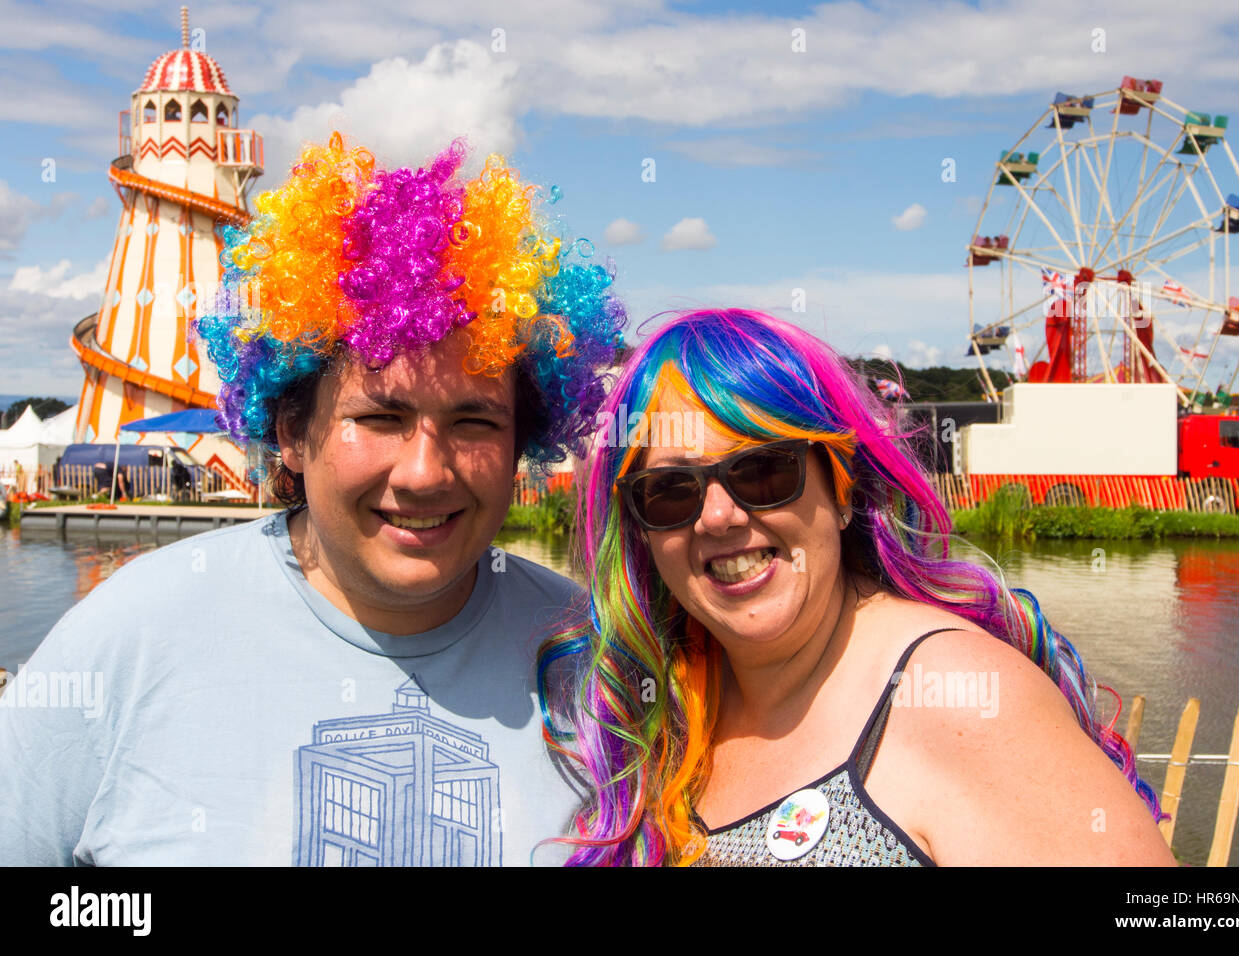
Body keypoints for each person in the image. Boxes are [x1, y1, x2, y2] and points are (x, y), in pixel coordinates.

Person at [0, 132, 624, 866]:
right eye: (380, 417)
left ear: (525, 441)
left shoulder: (592, 661)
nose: (424, 471)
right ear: (293, 431)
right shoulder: (127, 637)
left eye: (474, 421)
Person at [540, 308, 1175, 866]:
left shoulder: (959, 700)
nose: (719, 516)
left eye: (762, 471)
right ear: (643, 531)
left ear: (842, 490)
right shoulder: (661, 708)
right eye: (672, 491)